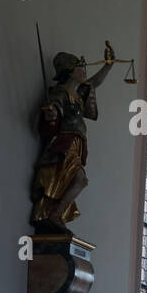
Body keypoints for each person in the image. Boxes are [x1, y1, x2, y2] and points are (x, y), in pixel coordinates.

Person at [32, 43, 115, 229]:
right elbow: (53, 108)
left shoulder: (77, 95)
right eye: (80, 68)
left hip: (77, 144)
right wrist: (51, 114)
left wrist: (108, 65)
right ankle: (55, 214)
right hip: (64, 143)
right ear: (70, 71)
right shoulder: (61, 92)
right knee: (80, 180)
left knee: (73, 181)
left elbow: (95, 83)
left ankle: (55, 214)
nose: (84, 72)